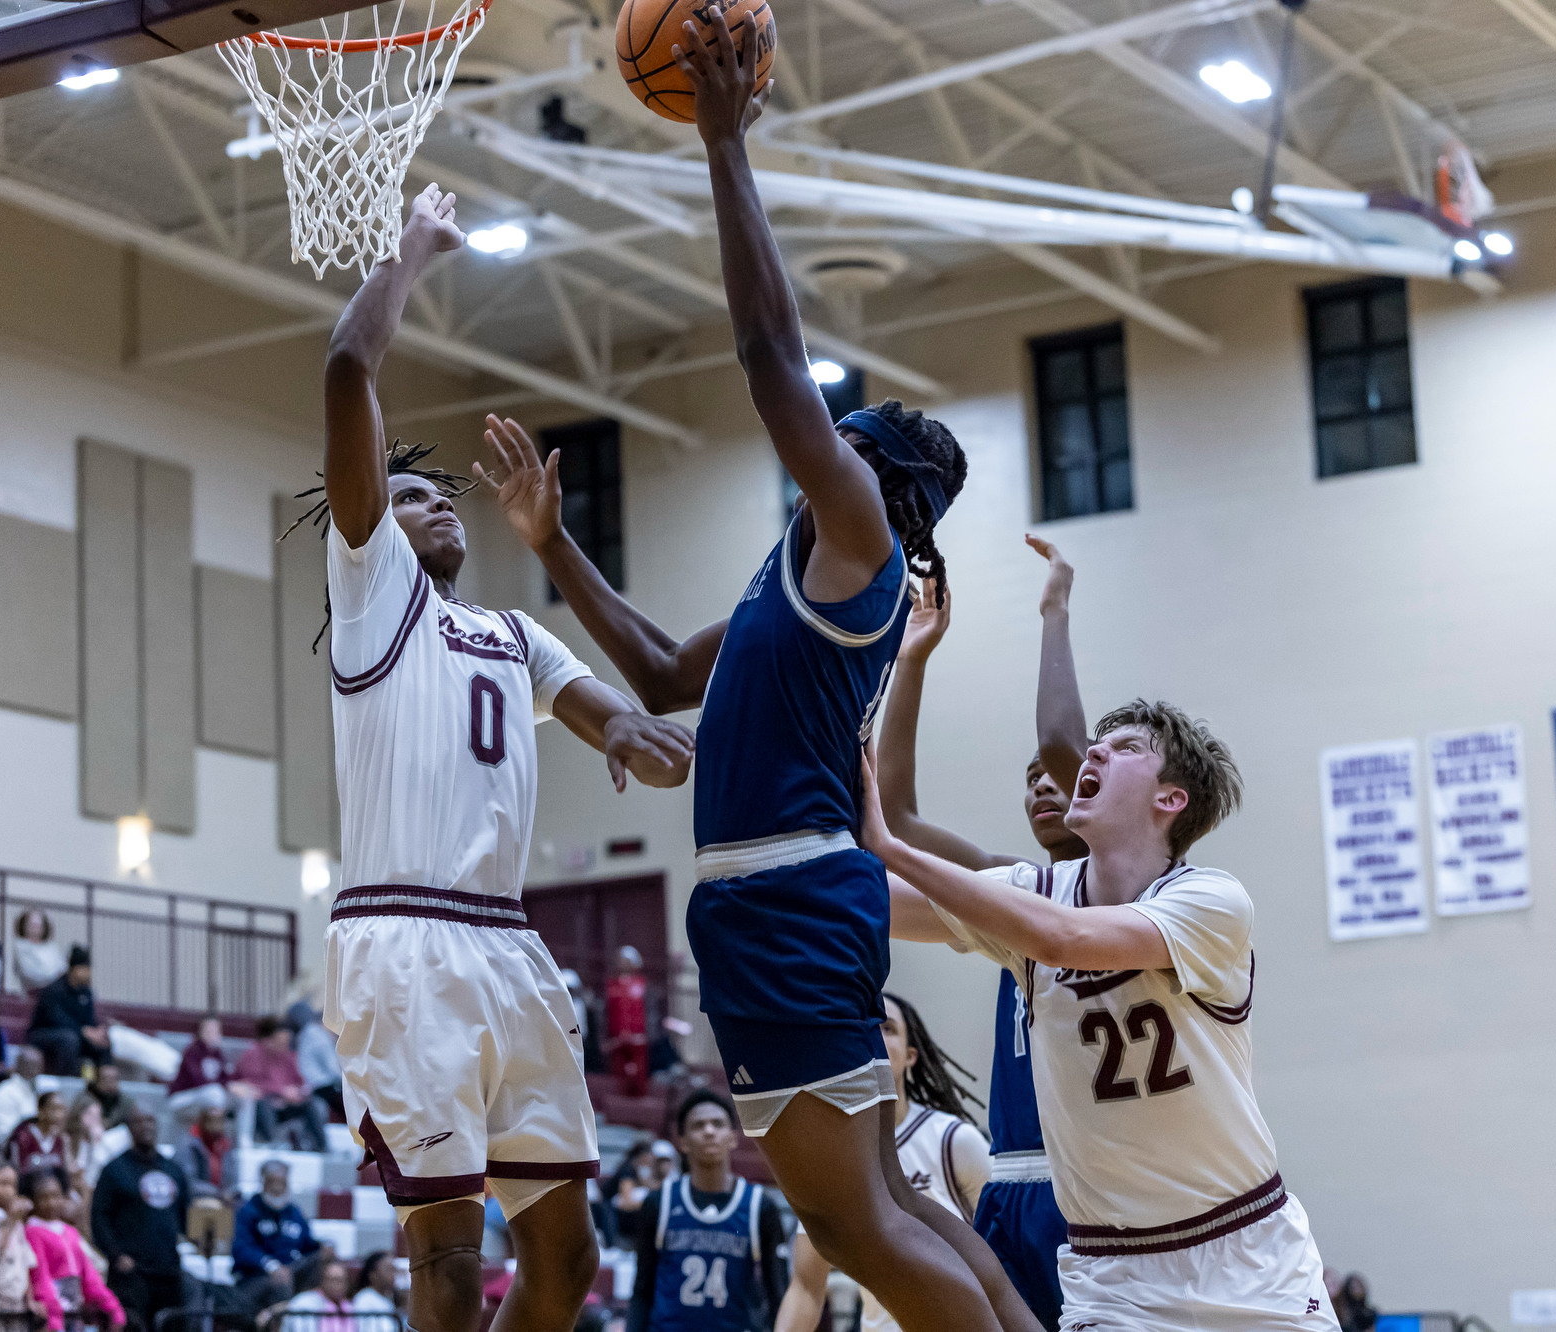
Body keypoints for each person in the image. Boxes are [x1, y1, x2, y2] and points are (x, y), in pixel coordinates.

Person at [489, 15, 1023, 1332]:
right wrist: (558, 548)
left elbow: (767, 359)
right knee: (889, 1214)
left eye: (844, 437)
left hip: (785, 895)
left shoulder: (856, 541)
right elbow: (666, 673)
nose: (819, 436)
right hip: (776, 899)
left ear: (875, 479)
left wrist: (727, 143)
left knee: (858, 1223)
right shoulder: (801, 583)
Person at [312, 178, 695, 1332]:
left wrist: (654, 742)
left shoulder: (515, 633)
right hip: (403, 938)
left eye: (445, 499)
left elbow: (618, 721)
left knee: (567, 1258)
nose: (436, 508)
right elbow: (346, 372)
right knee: (444, 1259)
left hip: (508, 948)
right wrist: (413, 248)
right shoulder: (371, 597)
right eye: (410, 493)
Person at [870, 698, 1341, 1332]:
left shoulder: (1211, 899)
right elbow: (872, 907)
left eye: (1126, 749)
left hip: (1247, 1253)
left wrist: (888, 847)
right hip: (1113, 1275)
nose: (1093, 752)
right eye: (1099, 743)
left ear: (1170, 800)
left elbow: (1064, 941)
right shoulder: (1033, 892)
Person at [873, 540, 1090, 1332]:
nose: (1042, 782)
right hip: (1009, 1185)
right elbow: (894, 819)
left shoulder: (1128, 895)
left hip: (1085, 1185)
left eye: (1056, 774)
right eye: (1028, 776)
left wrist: (1053, 609)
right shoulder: (1011, 887)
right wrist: (913, 659)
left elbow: (1069, 747)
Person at [777, 993, 990, 1332]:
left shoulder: (954, 1140)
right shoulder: (832, 1162)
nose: (875, 1036)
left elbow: (1006, 1258)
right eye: (866, 1027)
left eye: (888, 1028)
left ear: (910, 1056)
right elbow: (806, 1288)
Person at [628, 1090, 790, 1332]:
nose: (709, 1131)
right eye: (698, 1125)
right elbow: (641, 1291)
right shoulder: (659, 1203)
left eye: (718, 1124)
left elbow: (777, 1294)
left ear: (733, 1138)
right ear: (682, 1142)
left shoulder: (760, 1207)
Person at [91, 1111, 190, 1332]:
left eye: (150, 1120)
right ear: (129, 1129)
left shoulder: (173, 1170)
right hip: (131, 1272)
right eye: (138, 1121)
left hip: (167, 1269)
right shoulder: (115, 1170)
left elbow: (186, 1216)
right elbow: (99, 1217)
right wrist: (115, 1254)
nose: (146, 1126)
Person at [26, 1168, 127, 1331]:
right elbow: (40, 1277)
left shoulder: (69, 1231)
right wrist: (54, 1321)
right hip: (54, 1318)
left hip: (75, 1313)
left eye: (55, 1196)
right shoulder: (33, 1231)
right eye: (43, 1198)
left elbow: (89, 1275)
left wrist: (112, 1308)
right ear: (33, 1201)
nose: (51, 1203)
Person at [0, 1159, 60, 1324]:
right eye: (3, 1184)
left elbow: (25, 1263)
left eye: (13, 1185)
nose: (10, 1191)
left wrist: (30, 1301)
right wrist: (9, 1223)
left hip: (17, 1309)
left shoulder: (15, 1222)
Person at [234, 1016, 327, 1151]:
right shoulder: (252, 1055)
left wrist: (298, 1092)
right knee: (264, 1103)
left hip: (287, 1104)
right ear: (271, 1037)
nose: (285, 1044)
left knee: (311, 1104)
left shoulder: (287, 1056)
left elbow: (300, 1081)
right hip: (265, 1103)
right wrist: (281, 1091)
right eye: (282, 1040)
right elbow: (250, 1083)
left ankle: (321, 1147)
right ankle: (271, 1144)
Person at [233, 1159, 319, 1303]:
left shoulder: (295, 1212)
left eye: (282, 1182)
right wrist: (270, 1265)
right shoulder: (248, 1211)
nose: (278, 1187)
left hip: (291, 1271)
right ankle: (281, 1324)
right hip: (256, 1278)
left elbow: (308, 1245)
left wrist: (324, 1248)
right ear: (263, 1182)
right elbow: (241, 1250)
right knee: (281, 1282)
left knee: (324, 1261)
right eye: (273, 1182)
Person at [26, 946, 113, 1076]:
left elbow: (88, 1020)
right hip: (42, 1034)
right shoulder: (54, 990)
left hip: (75, 1034)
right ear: (74, 969)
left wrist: (97, 1031)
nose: (88, 973)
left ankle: (104, 1085)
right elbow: (55, 1019)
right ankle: (68, 1081)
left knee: (103, 1043)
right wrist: (83, 1031)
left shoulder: (86, 992)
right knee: (69, 1040)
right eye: (84, 969)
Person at [166, 1013, 260, 1133]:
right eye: (208, 1029)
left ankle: (243, 1143)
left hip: (207, 1096)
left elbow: (225, 1078)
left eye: (215, 1029)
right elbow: (198, 1080)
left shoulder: (217, 1054)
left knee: (245, 1094)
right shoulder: (192, 1051)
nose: (212, 1033)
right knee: (215, 1093)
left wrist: (240, 1085)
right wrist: (229, 1086)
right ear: (200, 1031)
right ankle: (215, 1135)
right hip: (182, 1098)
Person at [606, 947, 651, 1099]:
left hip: (638, 1037)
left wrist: (647, 1034)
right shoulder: (612, 985)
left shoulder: (642, 984)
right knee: (619, 1071)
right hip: (617, 1037)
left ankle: (639, 1098)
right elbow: (606, 1012)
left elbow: (650, 1011)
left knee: (638, 1071)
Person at [0, 1048, 53, 1147]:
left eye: (39, 1065)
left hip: (38, 1152)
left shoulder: (39, 1090)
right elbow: (6, 1136)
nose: (35, 1070)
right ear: (18, 1065)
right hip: (7, 1154)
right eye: (30, 1065)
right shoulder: (4, 1092)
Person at [7, 1091, 71, 1185]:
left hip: (54, 1193)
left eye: (62, 1110)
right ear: (41, 1111)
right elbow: (17, 1173)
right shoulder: (23, 1137)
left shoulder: (60, 1139)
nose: (59, 1115)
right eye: (54, 1109)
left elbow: (65, 1176)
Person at [278, 1255, 354, 1332]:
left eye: (341, 1280)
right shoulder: (304, 1303)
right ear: (322, 1281)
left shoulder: (351, 1308)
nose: (337, 1285)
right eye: (333, 1279)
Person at [179, 1105, 235, 1203]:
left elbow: (231, 1178)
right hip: (195, 1200)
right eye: (211, 1121)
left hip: (220, 1201)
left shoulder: (225, 1146)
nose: (216, 1126)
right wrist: (215, 1192)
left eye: (219, 1121)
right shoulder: (190, 1144)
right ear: (203, 1122)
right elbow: (186, 1180)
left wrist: (229, 1192)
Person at [14, 910, 67, 996]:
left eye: (39, 925)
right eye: (33, 925)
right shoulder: (20, 946)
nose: (36, 928)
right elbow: (29, 973)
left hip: (55, 993)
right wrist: (52, 976)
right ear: (24, 926)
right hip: (32, 993)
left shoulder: (52, 947)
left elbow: (62, 969)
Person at [76, 1061, 138, 1132]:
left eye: (114, 1079)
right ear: (97, 1081)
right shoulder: (85, 1098)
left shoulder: (126, 1101)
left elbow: (134, 1123)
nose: (110, 1084)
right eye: (106, 1079)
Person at [352, 1251, 402, 1318]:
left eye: (394, 1270)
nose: (393, 1274)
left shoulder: (391, 1297)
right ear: (373, 1275)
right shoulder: (364, 1299)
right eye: (389, 1269)